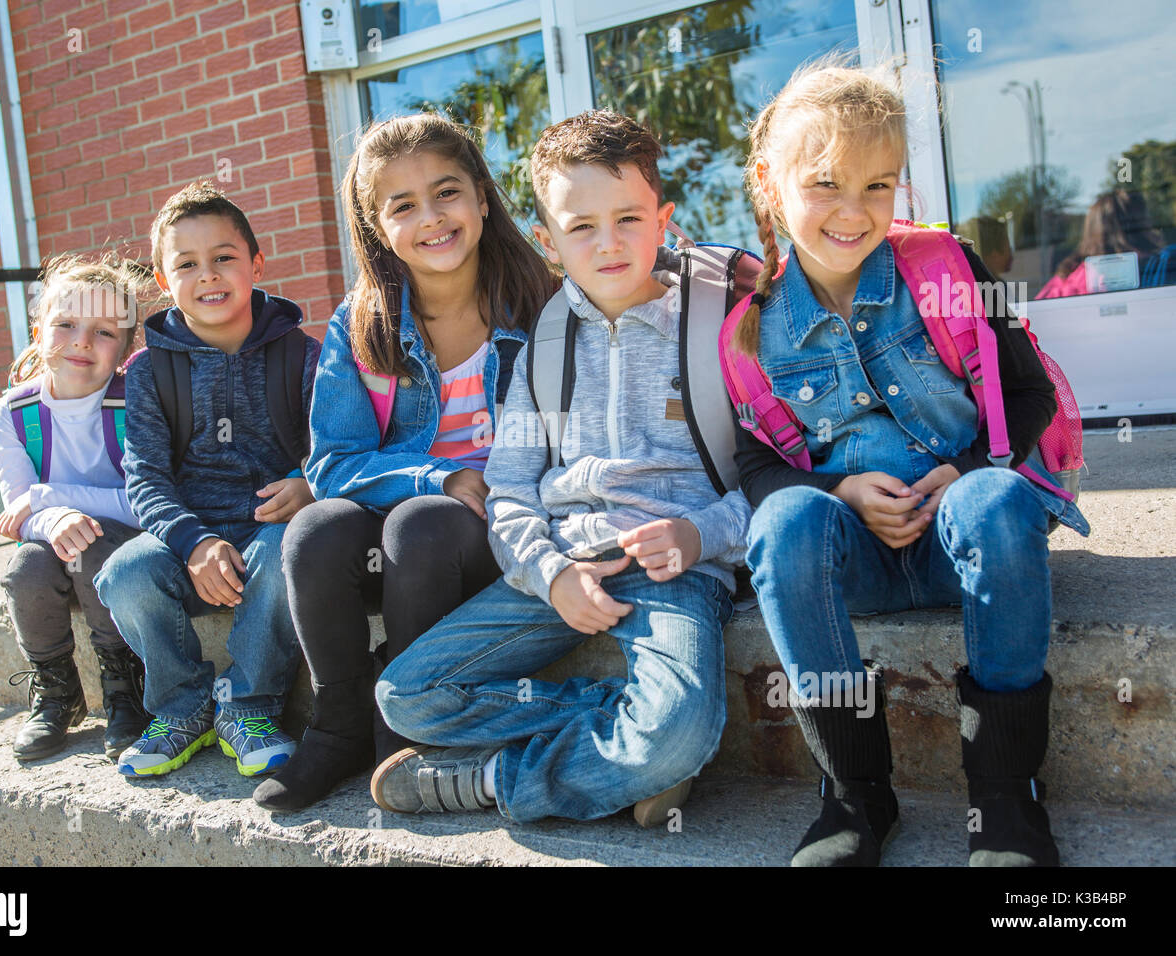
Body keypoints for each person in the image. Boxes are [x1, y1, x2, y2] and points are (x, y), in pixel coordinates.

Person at [732, 62, 1088, 866]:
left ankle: (1005, 791)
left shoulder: (950, 269)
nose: (853, 213)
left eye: (878, 185)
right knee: (783, 518)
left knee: (995, 500)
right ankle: (855, 793)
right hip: (854, 558)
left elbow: (1029, 391)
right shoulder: (749, 333)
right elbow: (755, 467)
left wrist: (967, 469)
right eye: (825, 184)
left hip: (967, 546)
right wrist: (840, 490)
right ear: (768, 180)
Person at [371, 110, 753, 826]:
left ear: (664, 219)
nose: (607, 244)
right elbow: (510, 491)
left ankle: (493, 781)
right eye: (581, 227)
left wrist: (704, 535)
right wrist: (550, 572)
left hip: (677, 567)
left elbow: (776, 476)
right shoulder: (545, 343)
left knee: (675, 729)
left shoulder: (717, 323)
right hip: (568, 564)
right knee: (406, 696)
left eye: (629, 219)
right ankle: (628, 735)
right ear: (548, 241)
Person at [253, 113, 557, 811]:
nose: (432, 218)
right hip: (399, 534)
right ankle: (337, 725)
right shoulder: (361, 324)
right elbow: (333, 461)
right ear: (376, 225)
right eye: (404, 205)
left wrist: (478, 489)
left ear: (482, 196)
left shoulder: (539, 302)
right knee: (315, 530)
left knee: (421, 524)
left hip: (493, 529)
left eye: (447, 192)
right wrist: (440, 474)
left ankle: (406, 733)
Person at [94, 181, 319, 778]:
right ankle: (183, 705)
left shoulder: (302, 355)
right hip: (189, 542)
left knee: (293, 550)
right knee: (124, 571)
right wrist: (192, 541)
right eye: (187, 264)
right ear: (165, 282)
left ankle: (247, 705)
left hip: (268, 533)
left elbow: (334, 446)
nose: (209, 275)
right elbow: (144, 478)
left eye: (224, 257)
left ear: (255, 263)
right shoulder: (148, 371)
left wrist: (307, 482)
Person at [0, 252, 151, 762]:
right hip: (53, 543)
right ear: (38, 331)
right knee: (26, 567)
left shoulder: (136, 404)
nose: (82, 341)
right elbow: (17, 514)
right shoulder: (14, 414)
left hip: (126, 545)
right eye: (65, 324)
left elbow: (148, 505)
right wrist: (51, 514)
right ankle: (57, 690)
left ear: (128, 347)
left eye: (105, 331)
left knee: (98, 545)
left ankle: (123, 681)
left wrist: (50, 498)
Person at [1036, 188, 1165, 298]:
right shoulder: (1160, 270)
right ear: (1140, 227)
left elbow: (1031, 320)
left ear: (1091, 230)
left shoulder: (1067, 280)